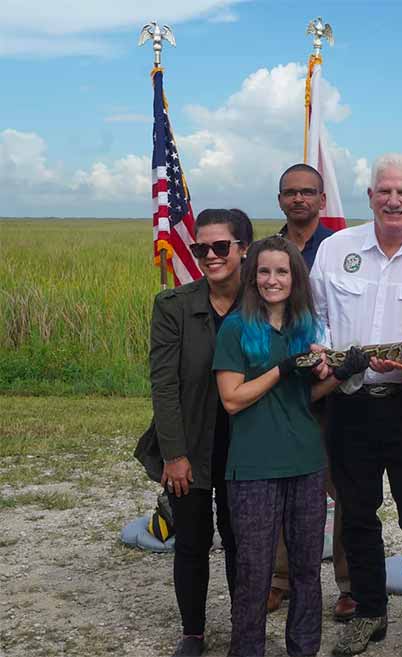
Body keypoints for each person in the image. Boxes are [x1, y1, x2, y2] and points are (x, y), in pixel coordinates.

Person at [310, 153, 402, 657]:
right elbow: (318, 319)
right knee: (357, 516)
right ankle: (369, 612)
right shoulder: (336, 249)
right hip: (349, 402)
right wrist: (324, 355)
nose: (393, 200)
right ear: (370, 196)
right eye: (384, 191)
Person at [214, 236, 369, 657]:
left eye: (281, 271)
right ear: (252, 276)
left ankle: (304, 648)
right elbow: (232, 399)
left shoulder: (306, 329)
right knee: (254, 571)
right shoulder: (236, 328)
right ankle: (247, 650)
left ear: (295, 277)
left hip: (305, 462)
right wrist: (283, 369)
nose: (272, 280)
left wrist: (342, 374)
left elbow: (306, 396)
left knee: (306, 570)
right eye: (264, 271)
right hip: (254, 467)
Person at [140, 208, 252, 657]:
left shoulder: (262, 302)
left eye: (221, 246)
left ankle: (244, 628)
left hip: (246, 443)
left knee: (241, 540)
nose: (210, 255)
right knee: (191, 540)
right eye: (201, 248)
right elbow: (164, 384)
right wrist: (173, 454)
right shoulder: (174, 306)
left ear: (243, 249)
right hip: (189, 442)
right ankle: (193, 632)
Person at [268, 163, 355, 623]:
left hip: (332, 386)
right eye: (290, 192)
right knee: (284, 483)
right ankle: (279, 578)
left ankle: (349, 585)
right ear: (280, 200)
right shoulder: (266, 251)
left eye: (307, 192)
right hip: (282, 386)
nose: (299, 199)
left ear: (323, 200)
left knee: (342, 486)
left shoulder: (341, 248)